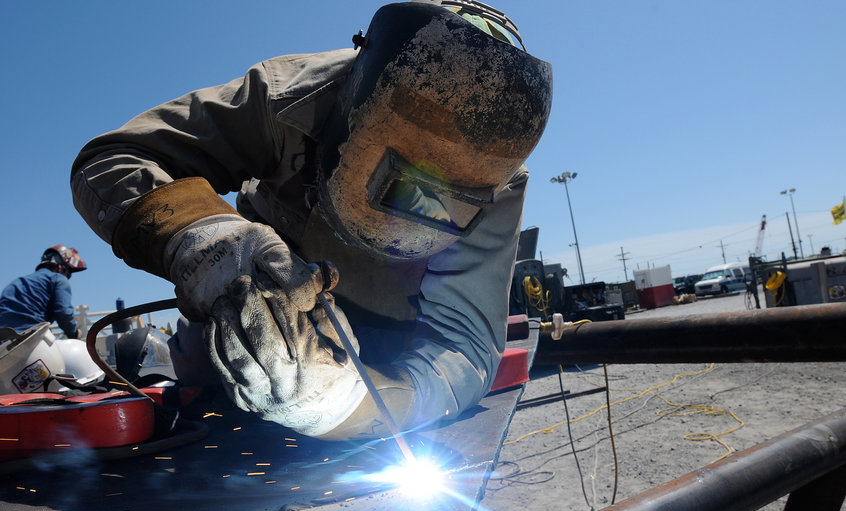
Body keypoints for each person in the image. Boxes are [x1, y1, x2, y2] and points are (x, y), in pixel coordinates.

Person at [70, 1, 552, 440]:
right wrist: (203, 239)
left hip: (397, 335)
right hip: (261, 292)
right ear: (353, 109)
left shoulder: (497, 182)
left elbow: (464, 346)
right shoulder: (289, 98)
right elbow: (113, 158)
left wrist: (343, 406)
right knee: (205, 368)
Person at [0, 246, 87, 340]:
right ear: (60, 267)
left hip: (3, 343)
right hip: (31, 340)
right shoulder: (58, 279)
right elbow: (64, 312)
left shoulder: (16, 283)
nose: (67, 277)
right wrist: (74, 334)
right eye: (69, 274)